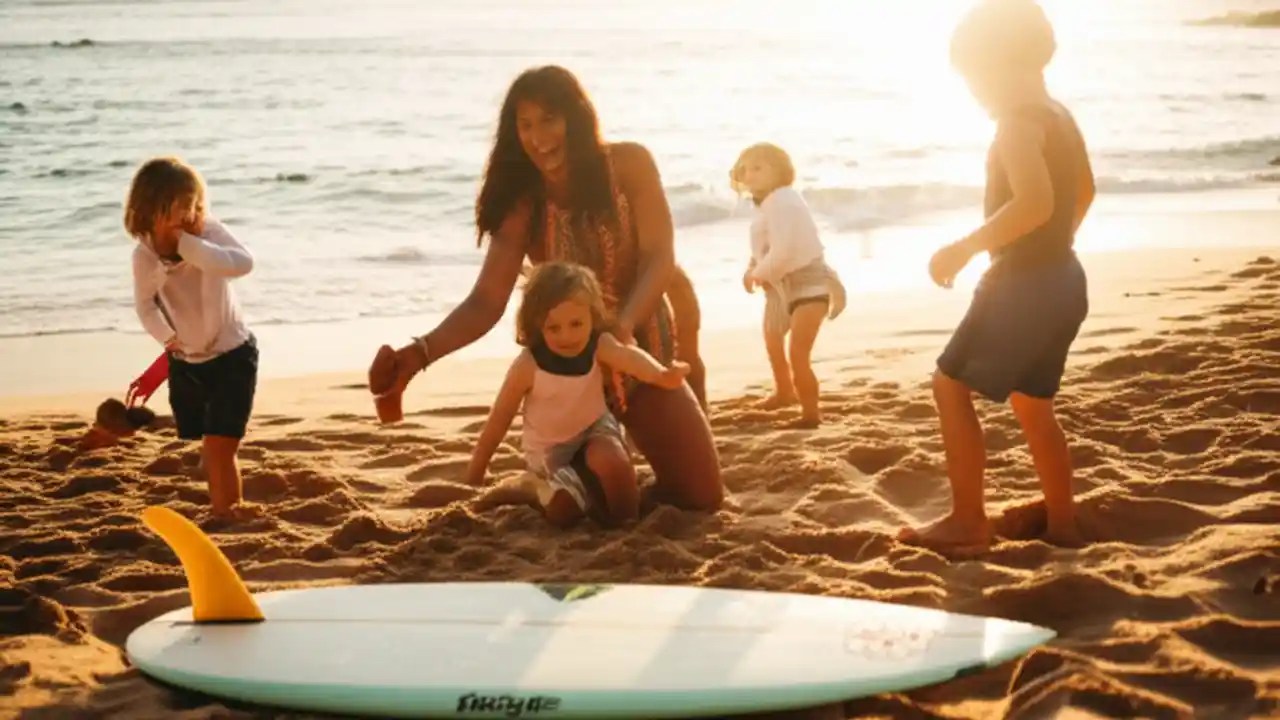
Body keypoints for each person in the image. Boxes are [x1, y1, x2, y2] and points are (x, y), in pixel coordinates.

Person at [368, 65, 723, 512]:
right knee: (583, 502)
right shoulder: (524, 202)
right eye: (525, 124)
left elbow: (659, 256)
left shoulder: (629, 164)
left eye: (550, 119)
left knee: (703, 499)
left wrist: (626, 325)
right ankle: (544, 482)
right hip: (572, 370)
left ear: (577, 117)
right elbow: (486, 301)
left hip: (641, 346)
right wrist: (418, 355)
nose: (539, 137)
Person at [900, 0, 1095, 554]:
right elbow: (1081, 194)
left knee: (949, 385)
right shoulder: (1058, 115)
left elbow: (1033, 203)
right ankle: (1063, 525)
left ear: (1001, 63)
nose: (976, 93)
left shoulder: (1016, 125)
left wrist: (964, 248)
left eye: (976, 79)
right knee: (1034, 404)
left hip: (1023, 282)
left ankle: (968, 521)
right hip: (1064, 278)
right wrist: (1058, 244)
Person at [466, 262, 689, 528]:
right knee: (562, 513)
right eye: (554, 328)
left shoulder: (598, 345)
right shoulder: (528, 365)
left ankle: (627, 525)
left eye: (576, 323)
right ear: (536, 325)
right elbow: (499, 418)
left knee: (613, 460)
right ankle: (534, 487)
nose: (567, 336)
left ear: (593, 317)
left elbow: (630, 358)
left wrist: (662, 375)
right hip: (551, 451)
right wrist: (476, 471)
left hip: (594, 429)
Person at [125, 156, 259, 518]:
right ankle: (216, 476)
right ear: (149, 213)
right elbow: (145, 305)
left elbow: (241, 263)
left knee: (220, 447)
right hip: (185, 360)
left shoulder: (208, 234)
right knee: (201, 438)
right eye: (179, 210)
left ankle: (226, 513)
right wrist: (166, 337)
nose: (190, 216)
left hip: (233, 356)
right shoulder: (145, 256)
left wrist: (191, 246)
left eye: (195, 206)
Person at [730, 142, 846, 428]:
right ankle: (784, 391)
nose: (750, 173)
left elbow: (784, 250)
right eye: (745, 168)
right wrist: (752, 266)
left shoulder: (784, 200)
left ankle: (810, 414)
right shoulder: (767, 206)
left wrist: (757, 274)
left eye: (758, 167)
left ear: (780, 171)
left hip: (807, 283)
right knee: (772, 339)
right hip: (779, 286)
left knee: (798, 353)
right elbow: (763, 247)